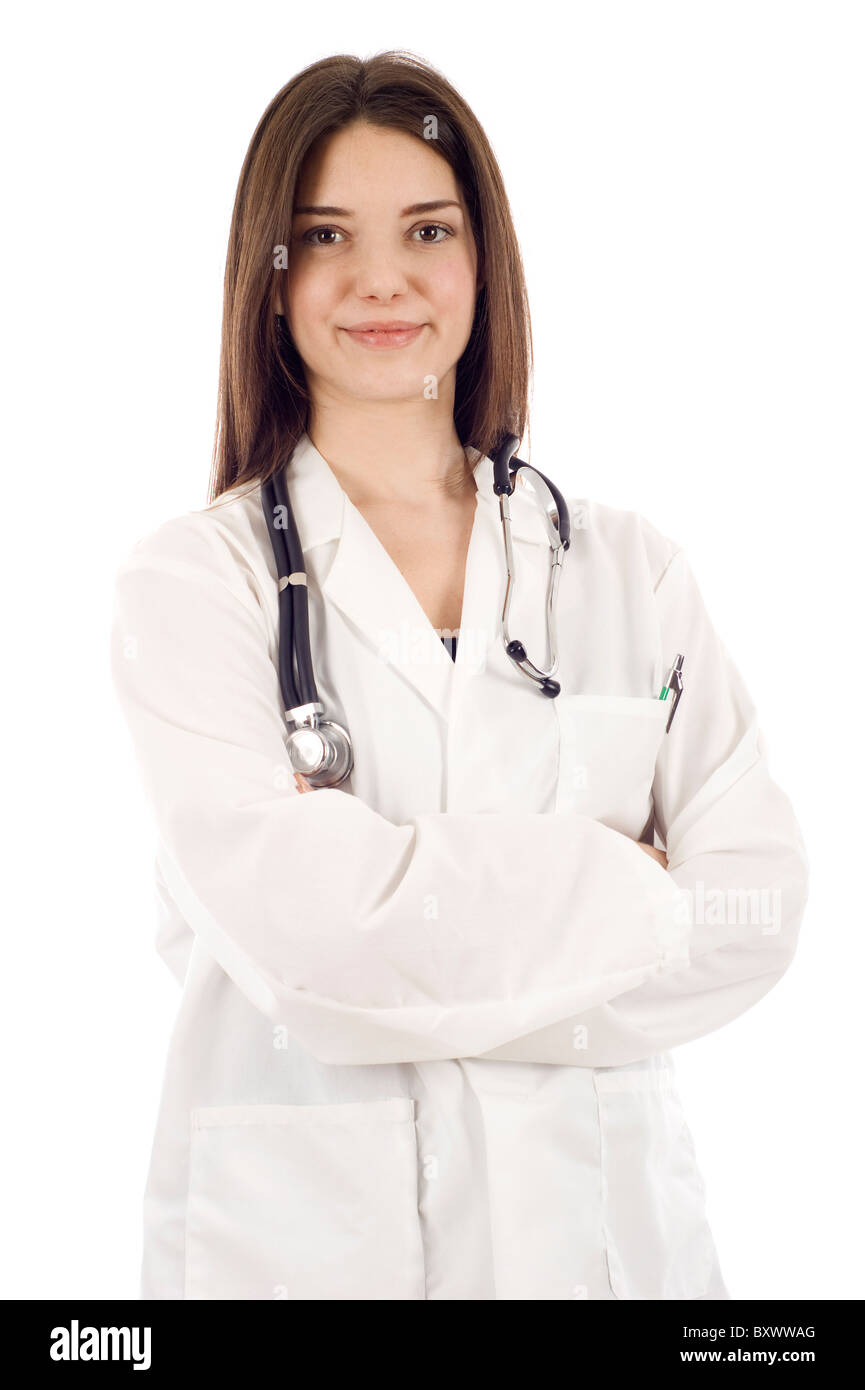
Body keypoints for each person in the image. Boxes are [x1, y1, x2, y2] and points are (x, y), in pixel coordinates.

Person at [109, 50, 809, 1301]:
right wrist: (627, 889)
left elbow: (754, 910)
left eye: (425, 229)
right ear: (269, 282)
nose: (381, 279)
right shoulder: (192, 585)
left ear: (481, 262)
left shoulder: (627, 573)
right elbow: (304, 935)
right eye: (325, 236)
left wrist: (390, 968)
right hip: (306, 1256)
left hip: (611, 1254)